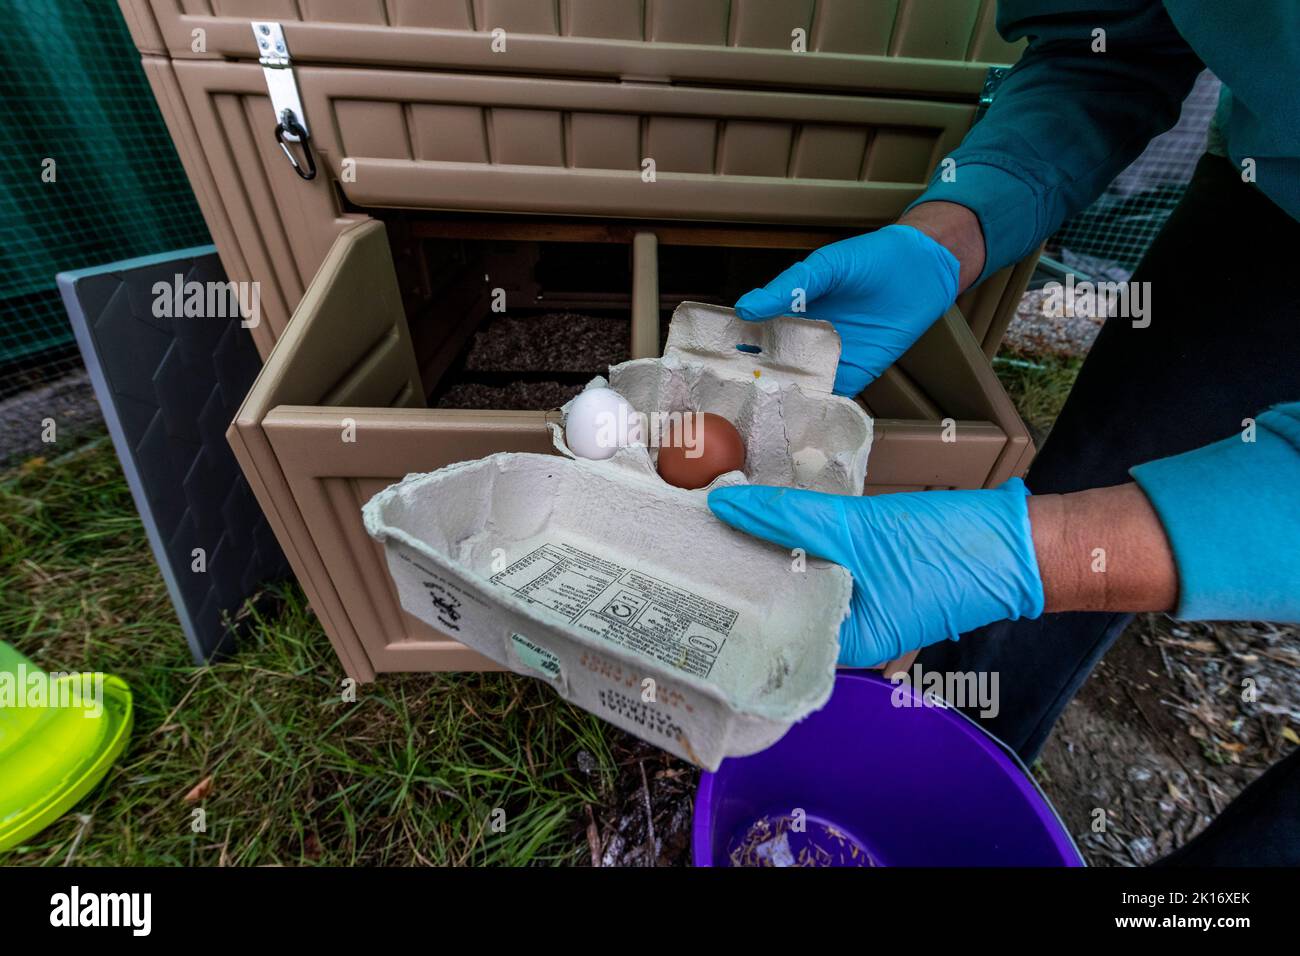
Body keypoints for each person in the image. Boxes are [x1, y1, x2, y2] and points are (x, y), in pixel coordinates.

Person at [709, 0, 1300, 865]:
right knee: (1097, 482)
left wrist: (1031, 552)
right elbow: (1104, 46)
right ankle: (933, 776)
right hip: (1277, 200)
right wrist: (950, 233)